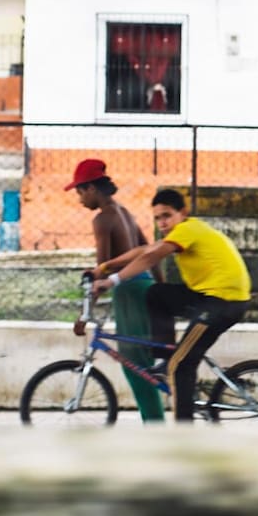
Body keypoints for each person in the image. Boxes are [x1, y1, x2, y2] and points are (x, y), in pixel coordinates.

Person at [92, 189, 251, 424]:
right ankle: (164, 359)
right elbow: (143, 250)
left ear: (183, 213)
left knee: (181, 366)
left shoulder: (188, 229)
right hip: (208, 296)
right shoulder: (184, 231)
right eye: (157, 218)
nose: (162, 223)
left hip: (223, 302)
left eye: (167, 216)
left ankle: (182, 435)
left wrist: (113, 280)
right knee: (156, 294)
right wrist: (105, 267)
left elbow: (150, 258)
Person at [67, 158, 165, 423]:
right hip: (144, 285)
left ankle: (155, 427)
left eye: (79, 191)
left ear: (91, 189)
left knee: (136, 366)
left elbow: (103, 270)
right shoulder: (125, 212)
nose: (79, 199)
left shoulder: (102, 220)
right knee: (143, 362)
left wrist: (82, 315)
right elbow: (151, 252)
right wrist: (160, 290)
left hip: (129, 289)